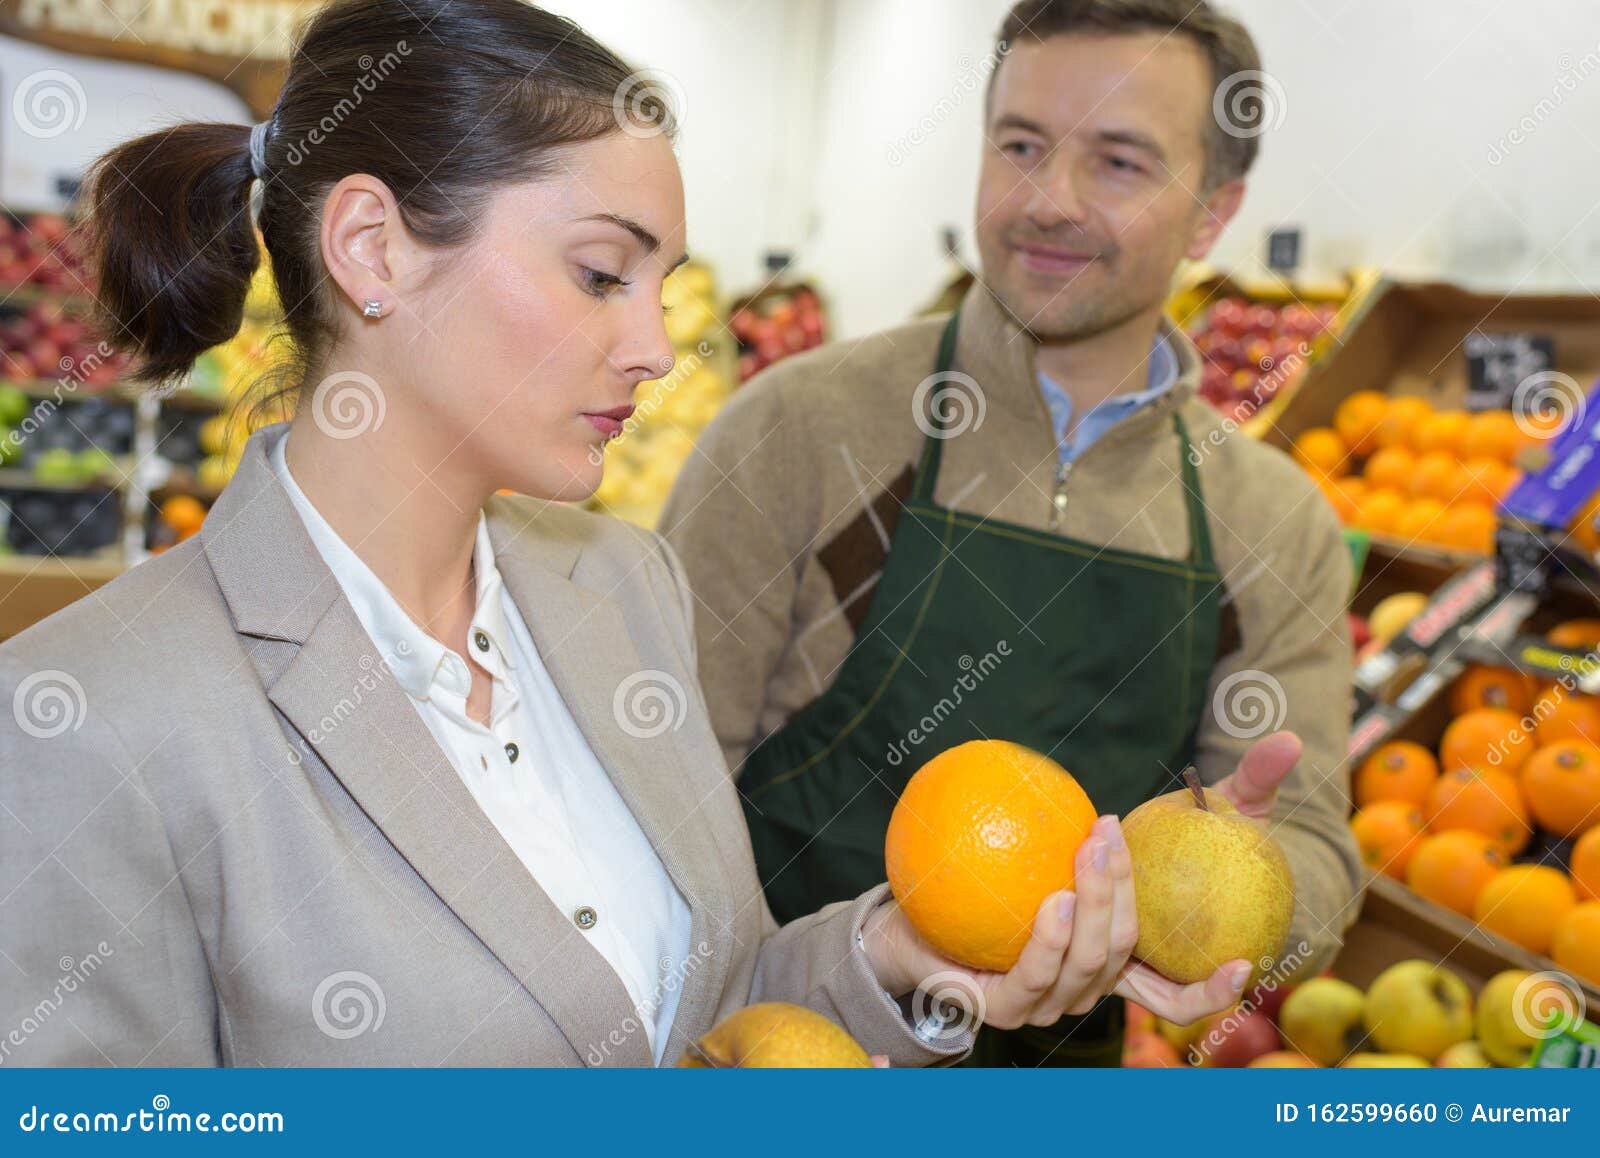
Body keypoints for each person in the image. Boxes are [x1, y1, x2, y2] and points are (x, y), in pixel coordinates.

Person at [0, 0, 1249, 1068]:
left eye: (662, 286)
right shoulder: (94, 719)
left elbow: (711, 1021)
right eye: (602, 275)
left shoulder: (619, 588)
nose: (656, 346)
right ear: (372, 247)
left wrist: (907, 957)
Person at [659, 0, 1365, 1067]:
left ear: (1214, 214)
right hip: (768, 1055)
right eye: (1020, 145)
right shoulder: (799, 429)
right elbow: (653, 782)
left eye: (1119, 162)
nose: (1048, 201)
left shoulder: (1270, 520)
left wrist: (1239, 890)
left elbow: (1314, 855)